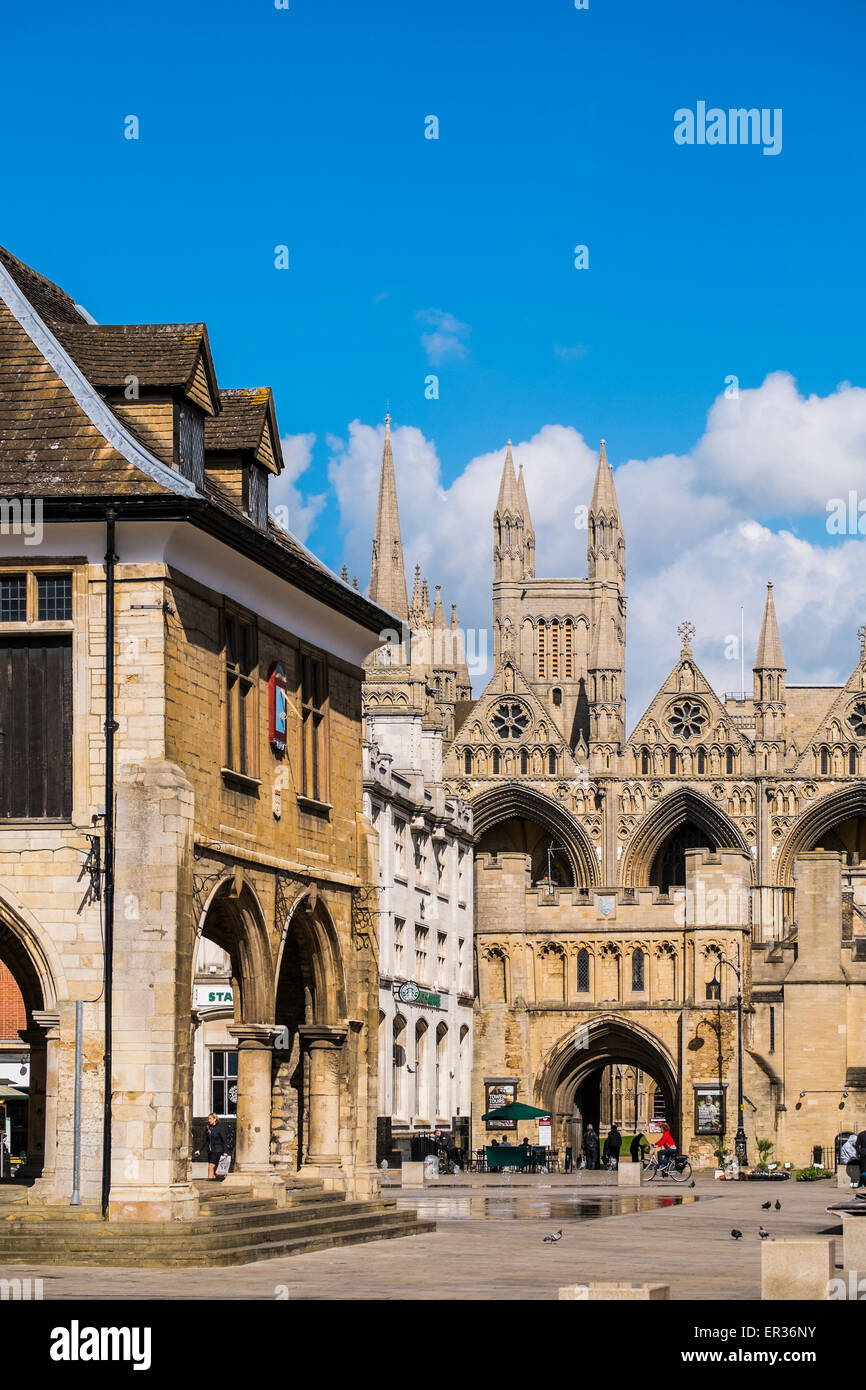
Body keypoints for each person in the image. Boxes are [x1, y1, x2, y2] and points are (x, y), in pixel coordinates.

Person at [194, 1112, 229, 1181]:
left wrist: (225, 1152)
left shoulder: (219, 1128)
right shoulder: (208, 1128)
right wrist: (199, 1150)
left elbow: (224, 1140)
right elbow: (205, 1140)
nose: (209, 1120)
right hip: (211, 1151)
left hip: (218, 1150)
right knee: (215, 1170)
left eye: (210, 1119)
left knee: (211, 1167)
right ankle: (220, 1180)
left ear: (215, 1119)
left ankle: (209, 1183)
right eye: (208, 1119)